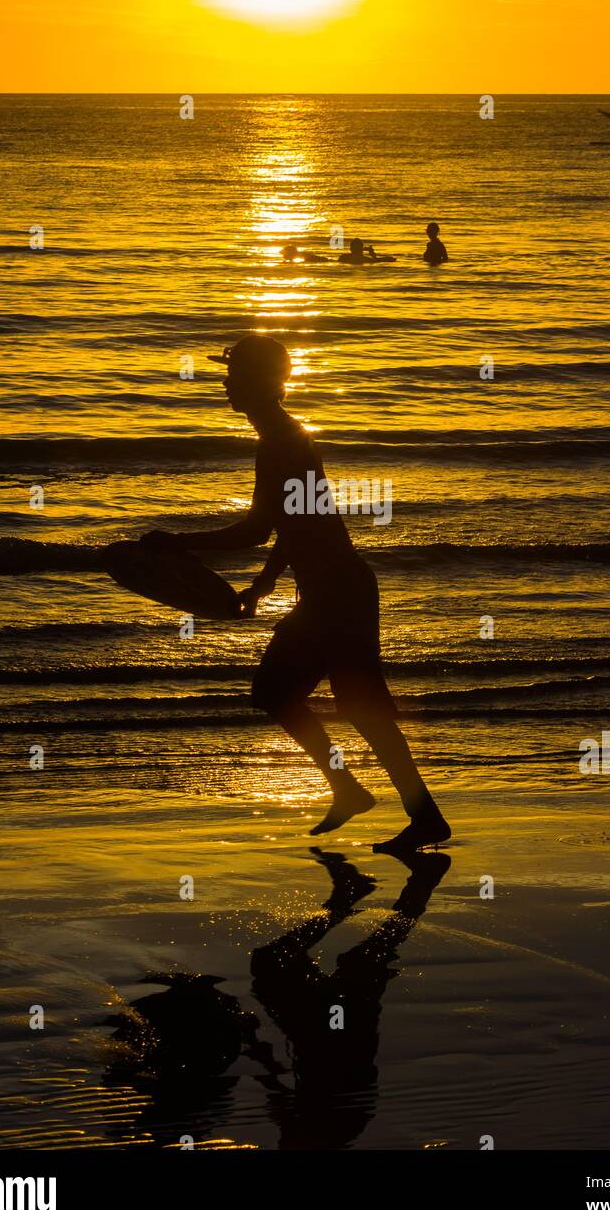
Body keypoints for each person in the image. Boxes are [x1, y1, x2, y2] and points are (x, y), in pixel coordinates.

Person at [141, 334, 450, 855]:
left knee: (324, 702)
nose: (225, 382)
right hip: (335, 590)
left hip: (338, 595)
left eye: (234, 374)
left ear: (257, 382)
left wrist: (176, 542)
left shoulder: (282, 443)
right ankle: (361, 794)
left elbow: (258, 528)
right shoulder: (288, 438)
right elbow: (295, 524)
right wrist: (266, 581)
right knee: (312, 700)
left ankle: (404, 810)